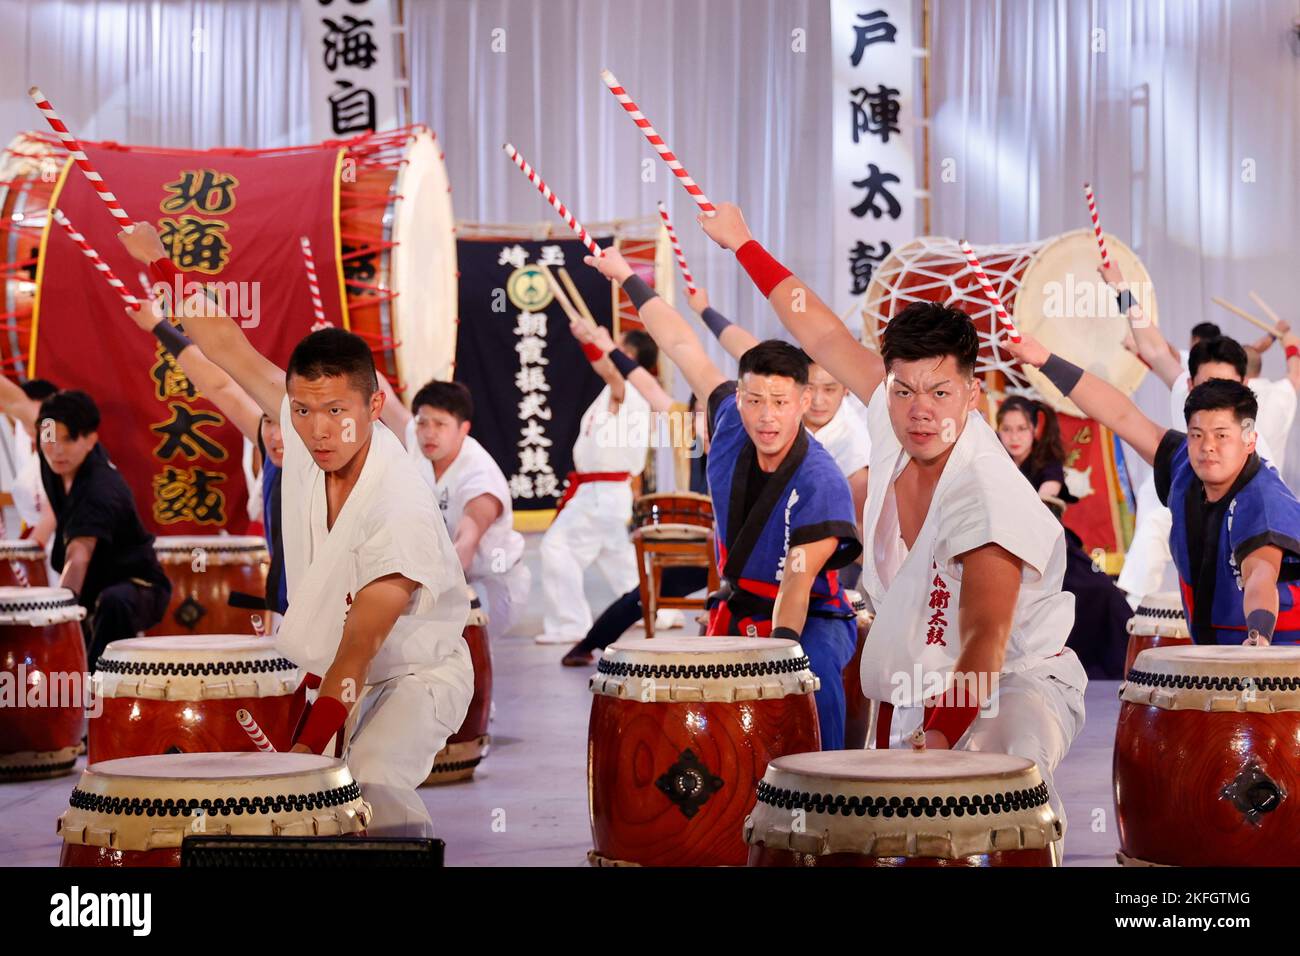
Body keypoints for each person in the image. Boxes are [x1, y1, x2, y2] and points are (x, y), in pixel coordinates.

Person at [696, 202, 1085, 838]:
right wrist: (743, 243)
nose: (919, 410)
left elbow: (986, 639)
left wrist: (937, 740)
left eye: (940, 392)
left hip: (1014, 683)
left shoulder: (988, 493)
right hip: (922, 676)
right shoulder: (893, 413)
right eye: (904, 391)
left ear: (972, 394)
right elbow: (823, 334)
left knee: (997, 806)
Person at [120, 222, 473, 837]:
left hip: (417, 673)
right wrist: (158, 262)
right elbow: (226, 347)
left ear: (373, 405)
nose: (318, 430)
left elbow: (359, 650)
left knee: (368, 779)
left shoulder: (399, 509)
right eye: (303, 411)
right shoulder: (307, 430)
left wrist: (304, 759)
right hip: (334, 672)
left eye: (337, 411)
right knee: (317, 795)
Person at [585, 246, 862, 750]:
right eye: (755, 401)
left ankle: (829, 785)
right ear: (738, 398)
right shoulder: (731, 422)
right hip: (736, 608)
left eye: (780, 402)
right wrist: (626, 276)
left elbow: (797, 582)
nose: (766, 416)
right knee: (701, 717)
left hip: (811, 617)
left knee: (812, 680)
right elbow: (680, 343)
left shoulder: (821, 480)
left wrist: (780, 657)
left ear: (803, 402)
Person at [1010, 332, 1300, 646]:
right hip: (1217, 645)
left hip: (1278, 650)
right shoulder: (1183, 461)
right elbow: (1120, 415)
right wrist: (1045, 360)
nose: (1207, 446)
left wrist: (1258, 637)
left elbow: (1260, 575)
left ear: (1249, 440)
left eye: (1221, 436)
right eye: (1197, 435)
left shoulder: (1264, 498)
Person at [125, 291, 289, 618]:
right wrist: (158, 325)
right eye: (269, 422)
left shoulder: (318, 454)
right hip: (288, 609)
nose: (275, 436)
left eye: (283, 423)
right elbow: (219, 386)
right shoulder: (267, 443)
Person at [558, 321, 709, 667]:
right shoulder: (686, 433)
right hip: (701, 548)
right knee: (646, 592)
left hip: (739, 552)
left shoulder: (742, 442)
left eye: (712, 415)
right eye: (699, 413)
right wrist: (606, 347)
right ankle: (590, 642)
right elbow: (646, 386)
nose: (704, 422)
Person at [0, 379, 171, 671]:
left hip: (137, 587)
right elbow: (16, 402)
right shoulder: (52, 445)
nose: (57, 450)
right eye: (50, 439)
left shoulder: (100, 489)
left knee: (110, 607)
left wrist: (55, 621)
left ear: (91, 440)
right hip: (94, 585)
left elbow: (78, 557)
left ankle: (99, 682)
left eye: (68, 440)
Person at [535, 327, 657, 646]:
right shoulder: (618, 392)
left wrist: (588, 341)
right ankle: (653, 610)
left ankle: (571, 623)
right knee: (618, 559)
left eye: (617, 348)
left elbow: (609, 370)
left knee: (557, 547)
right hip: (605, 493)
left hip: (601, 493)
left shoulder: (627, 389)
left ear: (627, 357)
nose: (611, 351)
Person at [996, 395, 1132, 678]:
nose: (1014, 437)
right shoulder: (993, 461)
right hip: (1005, 544)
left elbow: (1045, 496)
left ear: (1034, 430)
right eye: (1007, 429)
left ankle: (1115, 661)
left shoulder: (1047, 463)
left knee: (1101, 590)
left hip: (1050, 545)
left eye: (1021, 429)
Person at [381, 378, 529, 637]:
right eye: (423, 423)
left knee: (459, 640)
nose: (429, 432)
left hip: (492, 580)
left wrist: (419, 591)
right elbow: (385, 398)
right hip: (446, 572)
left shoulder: (479, 476)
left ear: (463, 429)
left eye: (440, 424)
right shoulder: (420, 441)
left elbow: (465, 545)